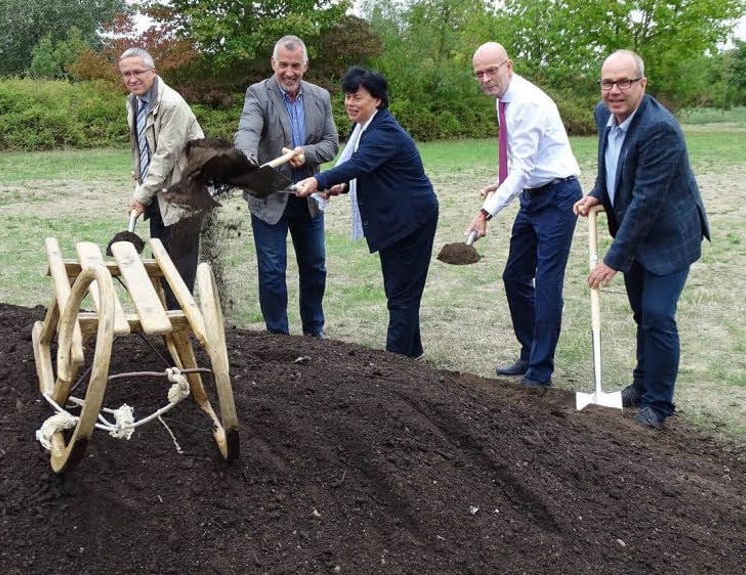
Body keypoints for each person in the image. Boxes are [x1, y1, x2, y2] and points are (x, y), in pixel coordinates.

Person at [572, 49, 710, 429]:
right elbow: (610, 167)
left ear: (642, 85)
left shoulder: (659, 129)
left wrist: (612, 260)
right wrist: (597, 192)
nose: (614, 90)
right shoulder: (604, 114)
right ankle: (641, 384)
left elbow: (646, 202)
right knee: (641, 314)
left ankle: (660, 404)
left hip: (668, 237)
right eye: (607, 82)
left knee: (658, 316)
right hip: (634, 234)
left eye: (624, 82)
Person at [295, 67, 438, 359]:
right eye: (347, 97)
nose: (350, 103)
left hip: (411, 220)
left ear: (378, 100)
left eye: (357, 97)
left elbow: (360, 164)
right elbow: (374, 172)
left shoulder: (383, 131)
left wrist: (319, 180)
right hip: (399, 218)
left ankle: (395, 362)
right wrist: (342, 187)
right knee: (401, 292)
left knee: (401, 295)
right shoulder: (366, 128)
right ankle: (411, 353)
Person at [465, 41, 582, 387]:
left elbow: (524, 167)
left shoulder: (527, 103)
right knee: (515, 276)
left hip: (559, 198)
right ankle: (530, 351)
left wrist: (486, 212)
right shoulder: (504, 100)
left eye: (491, 70)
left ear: (508, 66)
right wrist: (498, 184)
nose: (486, 78)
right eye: (479, 74)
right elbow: (519, 163)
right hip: (533, 197)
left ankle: (540, 371)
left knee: (546, 284)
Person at [234, 35, 339, 338]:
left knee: (315, 269)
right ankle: (278, 338)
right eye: (283, 65)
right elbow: (248, 130)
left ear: (305, 66)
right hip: (269, 199)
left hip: (308, 197)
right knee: (271, 273)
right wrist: (247, 161)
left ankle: (314, 333)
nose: (289, 72)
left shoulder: (320, 97)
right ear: (273, 64)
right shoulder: (258, 94)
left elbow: (331, 144)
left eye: (295, 66)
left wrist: (306, 153)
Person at [119, 47, 205, 307]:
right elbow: (141, 144)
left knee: (179, 270)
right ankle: (166, 324)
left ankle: (183, 328)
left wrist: (141, 195)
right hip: (159, 193)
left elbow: (166, 155)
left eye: (138, 72)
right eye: (126, 74)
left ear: (153, 72)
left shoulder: (171, 104)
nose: (132, 79)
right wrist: (141, 174)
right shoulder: (134, 102)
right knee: (161, 260)